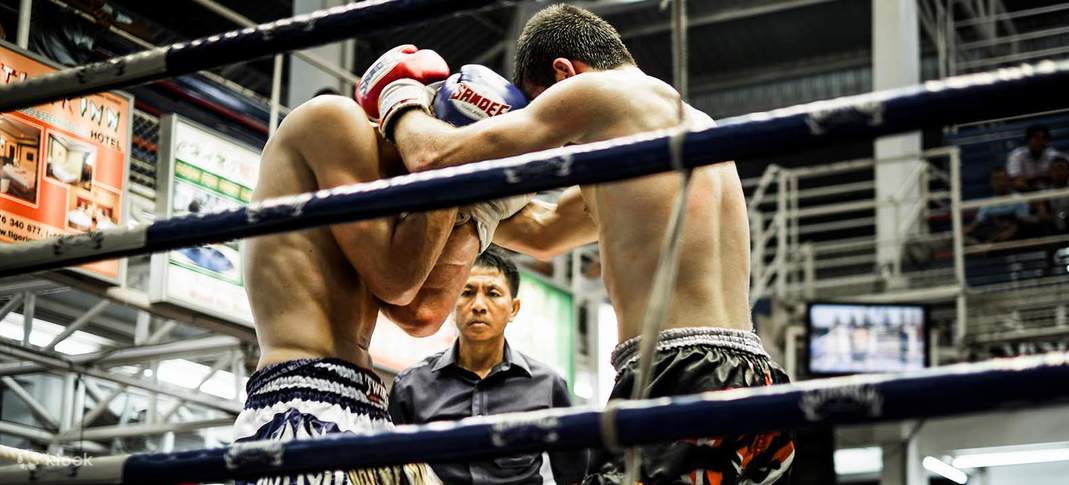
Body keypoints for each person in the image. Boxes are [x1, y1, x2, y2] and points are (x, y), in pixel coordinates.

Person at [358, 5, 795, 484]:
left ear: (564, 73)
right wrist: (477, 203)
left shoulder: (595, 91)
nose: (554, 144)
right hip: (756, 380)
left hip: (679, 374)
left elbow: (430, 155)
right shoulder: (683, 129)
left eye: (539, 107)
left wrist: (400, 98)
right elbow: (541, 233)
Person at [237, 53, 530, 484]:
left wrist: (478, 207)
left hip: (371, 406)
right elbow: (396, 281)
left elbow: (423, 314)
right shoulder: (332, 119)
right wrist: (451, 162)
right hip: (302, 402)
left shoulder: (403, 201)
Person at [390, 249, 588, 485]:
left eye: (493, 293)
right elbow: (392, 474)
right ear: (452, 305)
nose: (479, 305)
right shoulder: (410, 387)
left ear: (513, 309)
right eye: (467, 292)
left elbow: (575, 477)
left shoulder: (547, 385)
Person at [965, 167, 1032, 244]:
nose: (1000, 183)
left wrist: (994, 241)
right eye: (996, 180)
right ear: (991, 183)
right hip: (995, 239)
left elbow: (1023, 223)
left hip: (1017, 237)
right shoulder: (988, 204)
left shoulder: (1019, 200)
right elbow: (973, 226)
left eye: (1002, 179)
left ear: (1008, 181)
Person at [1006, 124, 1069, 191]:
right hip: (1026, 192)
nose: (1039, 142)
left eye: (1043, 139)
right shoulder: (1017, 155)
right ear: (1028, 139)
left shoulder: (1051, 154)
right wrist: (1039, 179)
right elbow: (1017, 181)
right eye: (1036, 138)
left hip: (1050, 190)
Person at [1033, 158, 1069, 235]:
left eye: (1062, 169)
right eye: (1056, 169)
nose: (1059, 173)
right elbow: (1042, 213)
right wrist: (1047, 215)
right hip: (1052, 224)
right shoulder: (1044, 192)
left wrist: (1060, 215)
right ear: (1050, 172)